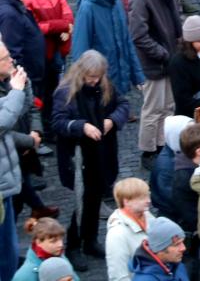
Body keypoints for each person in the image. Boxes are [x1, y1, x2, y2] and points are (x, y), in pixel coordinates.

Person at [52, 51, 129, 272]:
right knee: (80, 200)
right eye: (90, 77)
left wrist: (111, 120)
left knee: (95, 197)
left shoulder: (105, 85)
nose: (93, 81)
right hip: (78, 156)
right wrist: (82, 126)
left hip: (101, 153)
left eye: (96, 77)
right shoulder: (66, 92)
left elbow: (122, 104)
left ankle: (91, 238)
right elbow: (58, 122)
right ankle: (74, 245)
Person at [128, 0, 182, 168]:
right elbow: (139, 36)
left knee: (168, 105)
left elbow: (176, 14)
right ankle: (148, 150)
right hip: (154, 62)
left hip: (170, 56)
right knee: (152, 108)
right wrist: (163, 54)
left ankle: (162, 144)